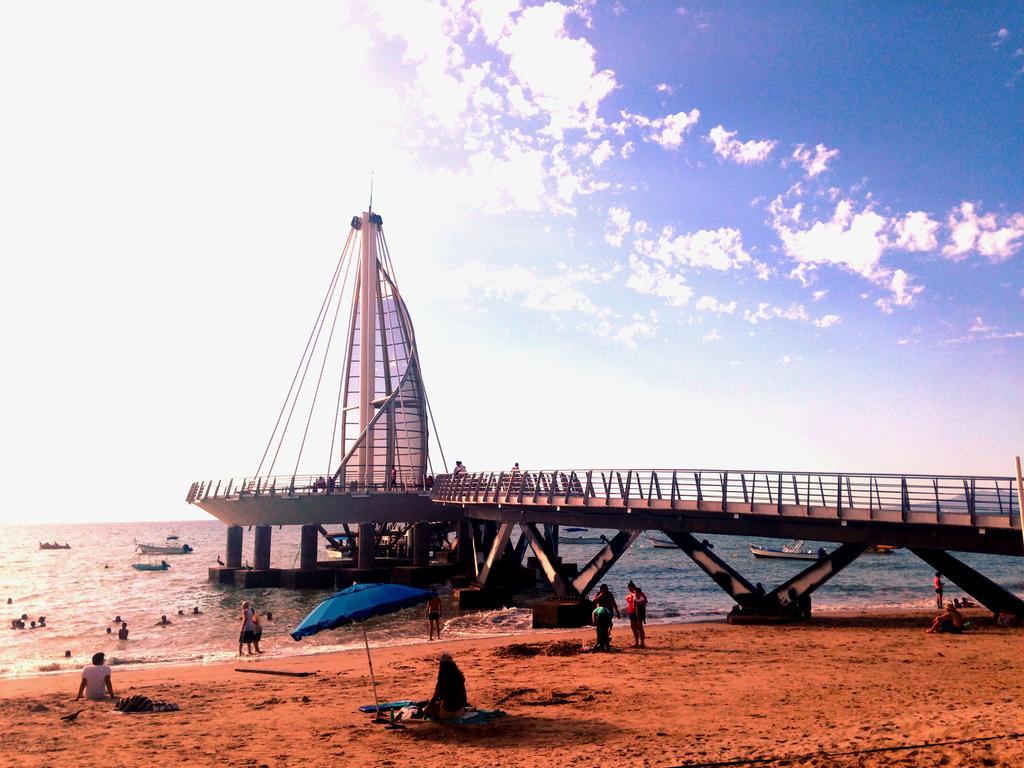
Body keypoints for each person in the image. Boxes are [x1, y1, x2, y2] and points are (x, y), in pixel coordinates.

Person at [423, 653, 467, 720]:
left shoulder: (442, 680)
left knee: (427, 712)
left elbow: (435, 697)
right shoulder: (459, 677)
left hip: (448, 713)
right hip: (461, 710)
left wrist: (426, 709)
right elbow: (464, 695)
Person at [626, 582, 647, 648]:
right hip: (631, 612)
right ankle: (636, 643)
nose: (630, 590)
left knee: (639, 628)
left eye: (630, 589)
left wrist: (638, 605)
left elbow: (645, 601)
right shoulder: (631, 594)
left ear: (634, 587)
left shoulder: (639, 593)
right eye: (629, 589)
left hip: (637, 612)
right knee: (633, 628)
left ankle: (642, 644)